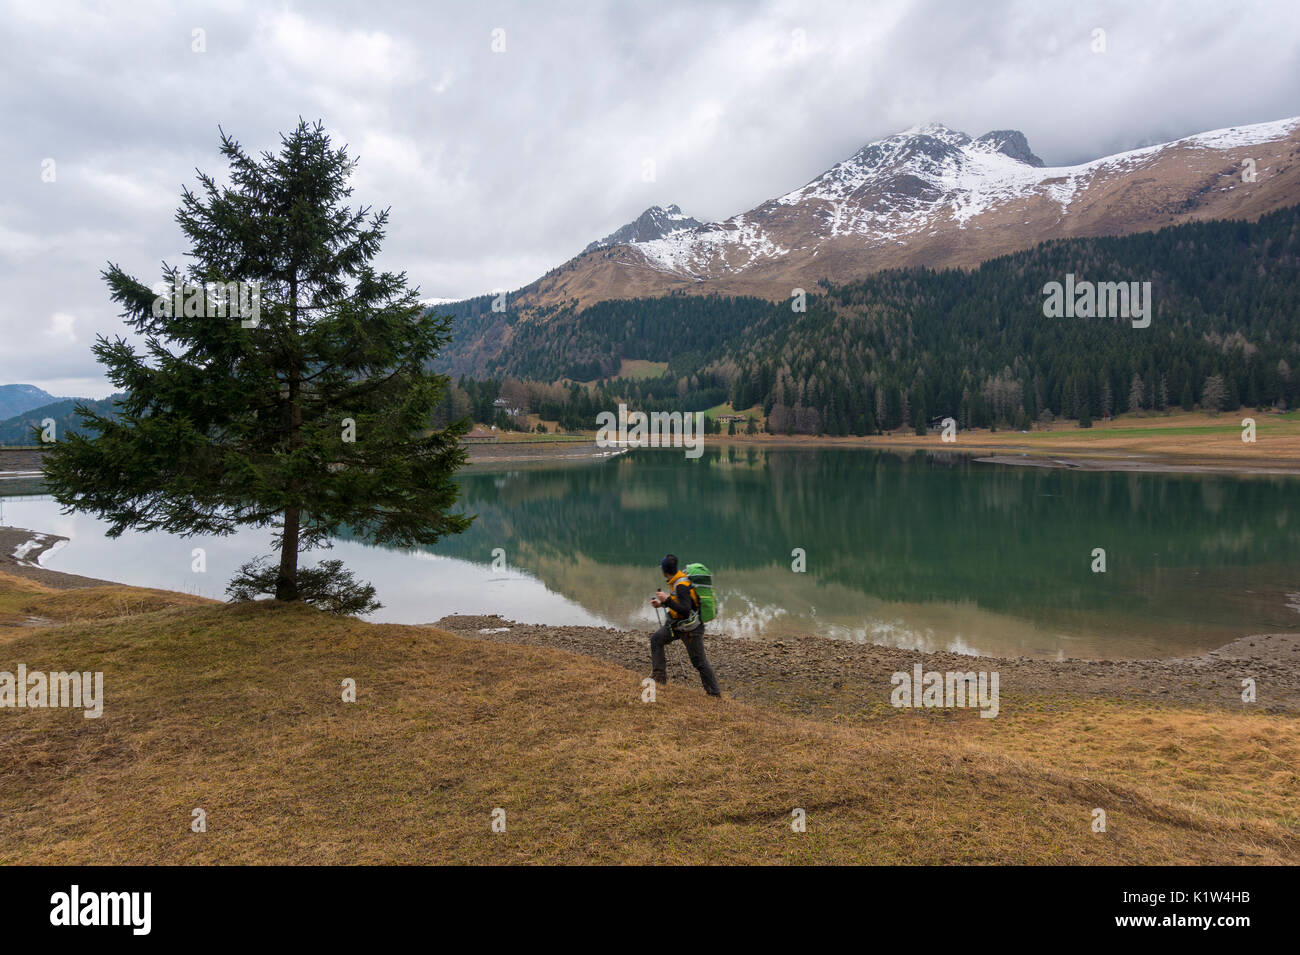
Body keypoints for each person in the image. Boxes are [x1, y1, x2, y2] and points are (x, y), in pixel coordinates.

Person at [649, 554, 721, 697]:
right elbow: (679, 602)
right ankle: (659, 677)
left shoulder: (681, 584)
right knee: (656, 639)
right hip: (677, 625)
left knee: (699, 662)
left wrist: (667, 600)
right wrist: (661, 603)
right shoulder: (675, 580)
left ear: (664, 570)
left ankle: (714, 694)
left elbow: (686, 610)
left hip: (691, 629)